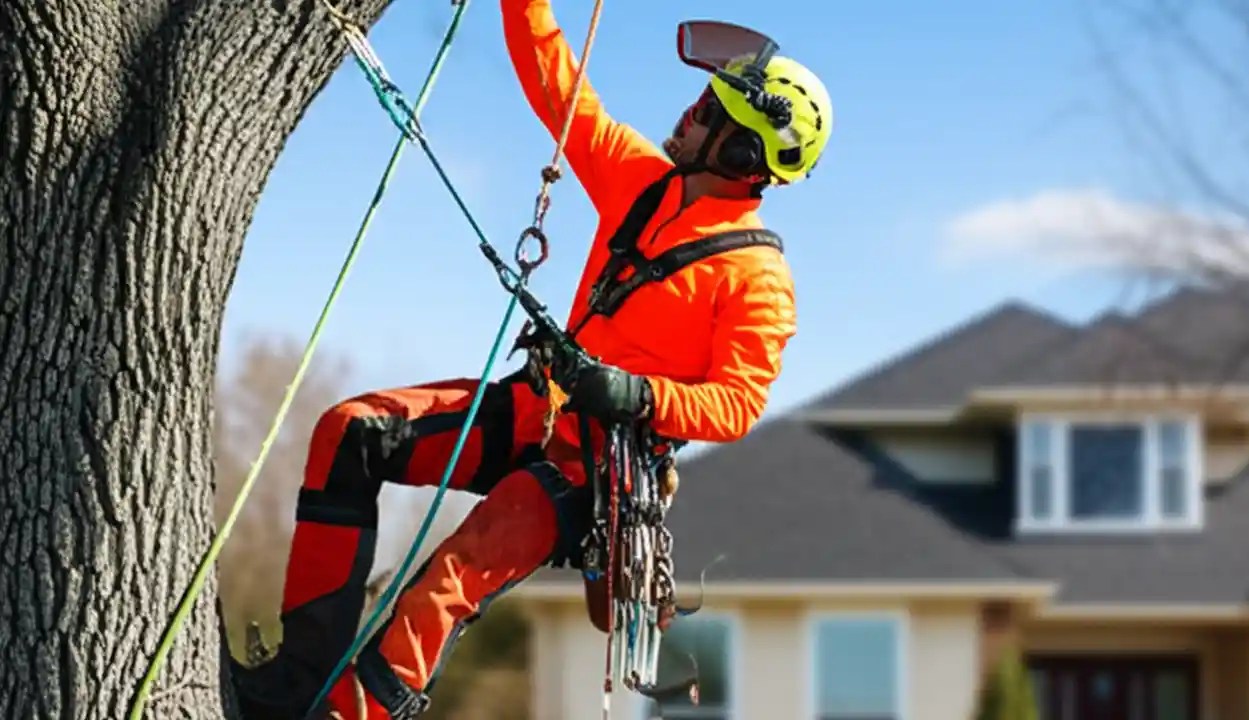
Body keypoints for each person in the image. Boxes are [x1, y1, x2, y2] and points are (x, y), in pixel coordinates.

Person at [228, 0, 831, 718]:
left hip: (592, 468)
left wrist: (634, 395)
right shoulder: (639, 181)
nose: (688, 113)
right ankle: (296, 681)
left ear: (741, 151)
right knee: (350, 432)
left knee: (448, 580)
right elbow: (557, 83)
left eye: (707, 109)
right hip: (532, 406)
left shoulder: (758, 278)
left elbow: (738, 403)